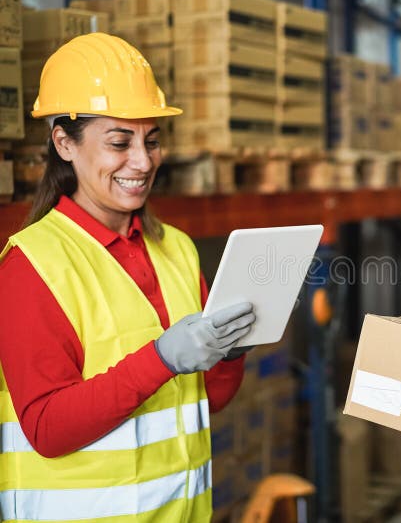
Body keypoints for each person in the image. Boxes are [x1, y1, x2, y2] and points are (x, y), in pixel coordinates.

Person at [0, 33, 256, 521]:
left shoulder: (176, 249)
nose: (142, 161)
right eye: (120, 142)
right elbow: (47, 429)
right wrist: (161, 359)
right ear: (63, 143)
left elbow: (212, 400)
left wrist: (230, 353)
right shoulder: (31, 267)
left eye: (152, 140)